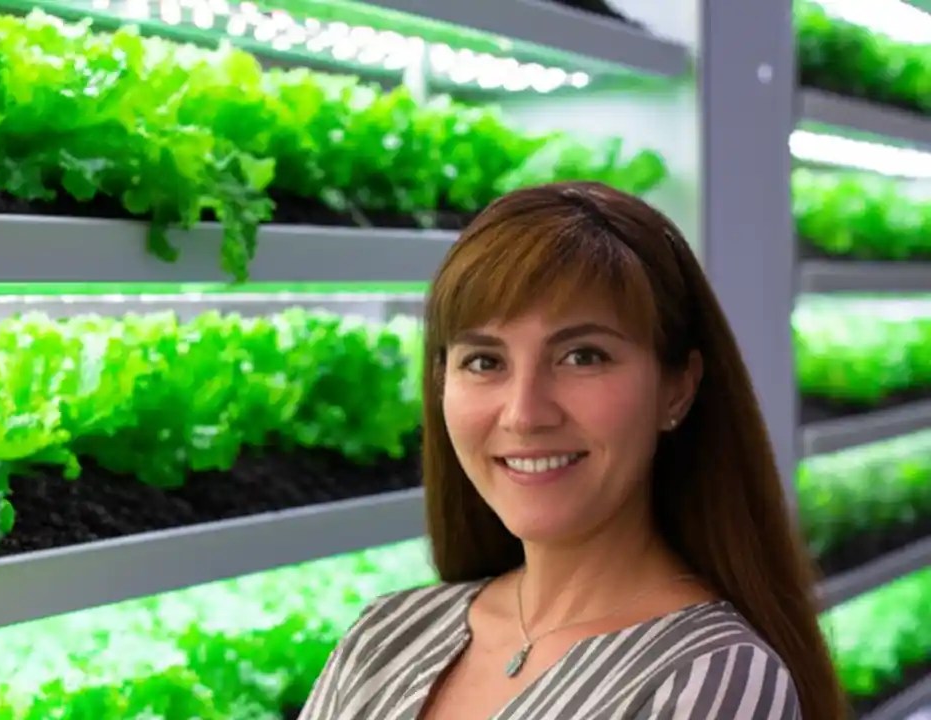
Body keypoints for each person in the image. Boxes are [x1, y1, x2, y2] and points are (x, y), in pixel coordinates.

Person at [297, 182, 847, 719]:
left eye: (582, 357)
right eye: (485, 362)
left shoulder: (715, 679)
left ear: (678, 386)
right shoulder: (384, 636)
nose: (525, 414)